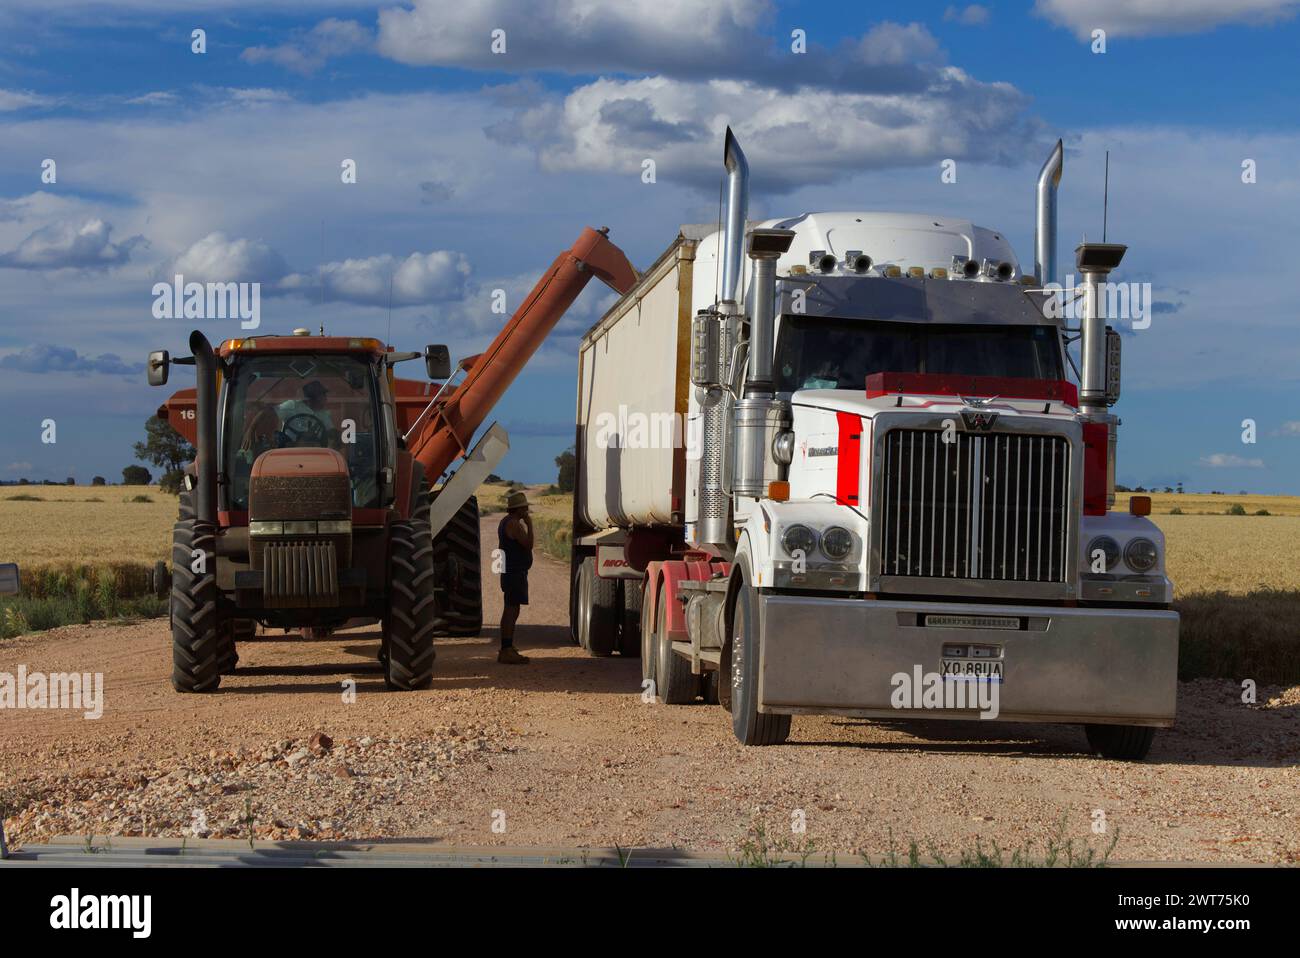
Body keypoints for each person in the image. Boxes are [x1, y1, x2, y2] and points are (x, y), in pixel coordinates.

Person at [497, 490, 533, 664]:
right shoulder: (514, 524)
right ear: (519, 509)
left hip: (511, 571)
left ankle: (507, 647)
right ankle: (506, 649)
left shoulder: (506, 522)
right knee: (512, 609)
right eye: (525, 507)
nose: (526, 510)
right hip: (514, 572)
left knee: (511, 607)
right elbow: (528, 544)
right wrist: (530, 525)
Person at [277, 380, 335, 445]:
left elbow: (330, 431)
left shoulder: (323, 414)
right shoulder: (292, 406)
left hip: (316, 450)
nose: (326, 398)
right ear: (315, 397)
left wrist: (337, 436)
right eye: (323, 395)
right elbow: (272, 415)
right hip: (289, 450)